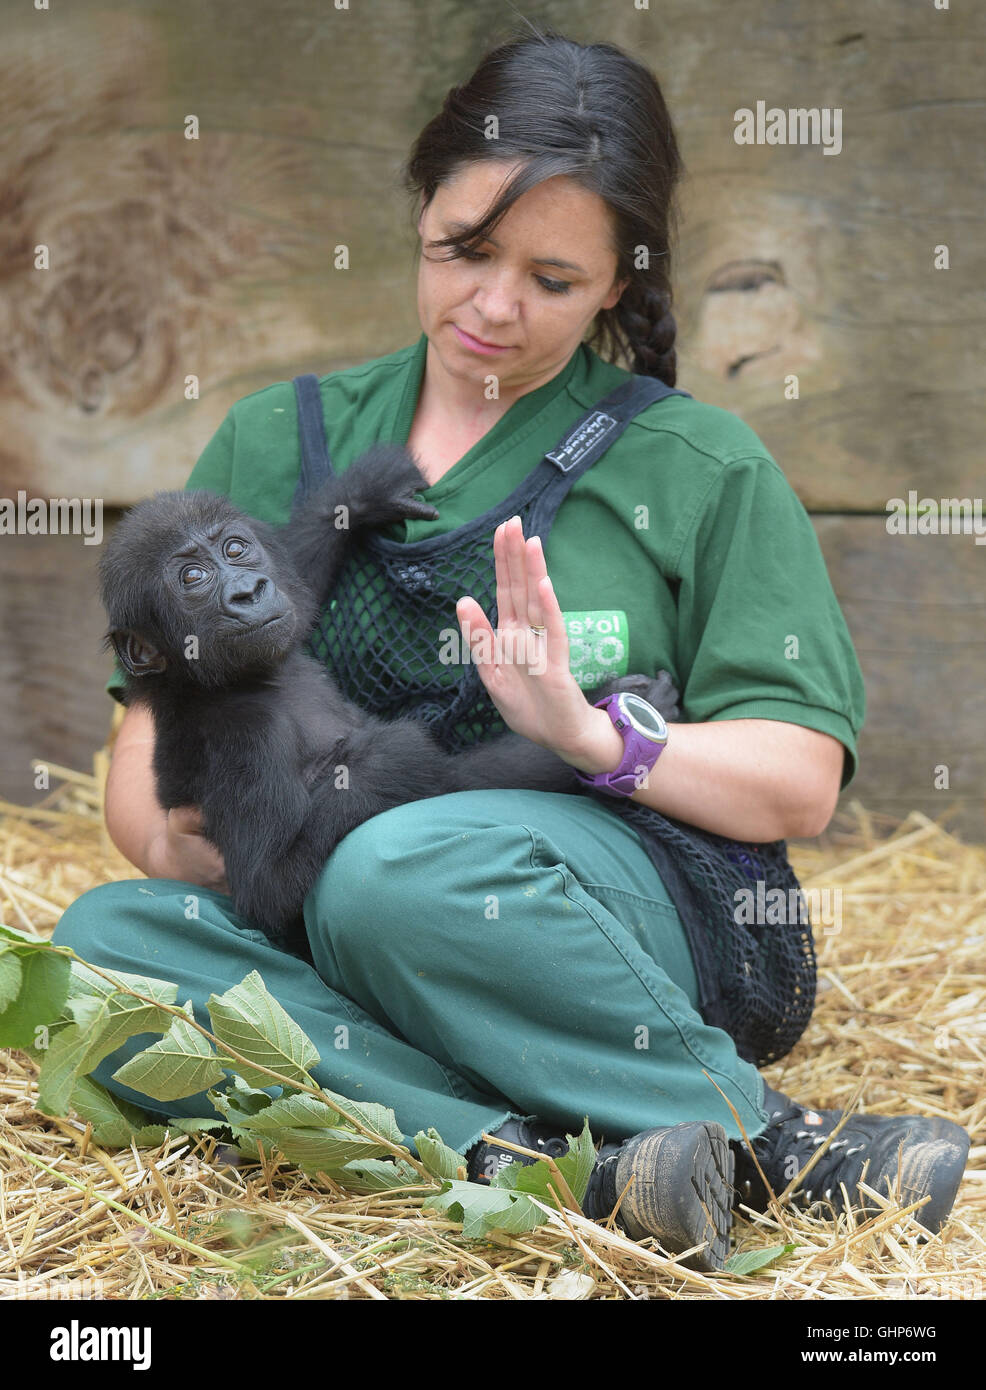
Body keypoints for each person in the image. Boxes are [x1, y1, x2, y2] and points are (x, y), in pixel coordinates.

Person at [53, 27, 969, 1272]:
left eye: (550, 278)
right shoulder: (277, 441)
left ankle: (769, 1136)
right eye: (464, 251)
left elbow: (798, 777)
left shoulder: (696, 467)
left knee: (393, 870)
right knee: (107, 949)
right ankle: (541, 1158)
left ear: (615, 285)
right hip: (321, 892)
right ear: (421, 209)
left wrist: (593, 737)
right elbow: (144, 770)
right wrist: (214, 823)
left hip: (587, 910)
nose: (490, 306)